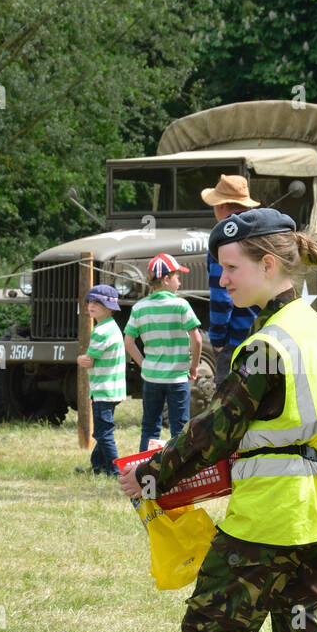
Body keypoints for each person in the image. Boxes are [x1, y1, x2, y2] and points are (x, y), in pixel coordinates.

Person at [118, 208, 317, 632]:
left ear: (268, 264)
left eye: (229, 268)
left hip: (266, 517)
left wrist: (151, 474)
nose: (221, 281)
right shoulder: (313, 327)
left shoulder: (267, 344)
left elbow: (213, 431)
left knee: (211, 631)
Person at [124, 253, 202, 452]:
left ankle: (146, 470)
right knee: (180, 428)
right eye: (177, 277)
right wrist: (194, 366)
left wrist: (144, 364)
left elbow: (129, 342)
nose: (180, 282)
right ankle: (179, 472)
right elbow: (197, 339)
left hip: (152, 379)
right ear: (166, 279)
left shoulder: (139, 308)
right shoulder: (181, 305)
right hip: (177, 378)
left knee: (150, 426)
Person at [201, 175, 261, 384]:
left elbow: (222, 295)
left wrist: (217, 338)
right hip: (262, 332)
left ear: (223, 205)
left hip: (234, 340)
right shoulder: (260, 234)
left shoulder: (222, 240)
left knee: (227, 403)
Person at [76, 284, 125, 476]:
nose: (92, 305)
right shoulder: (112, 328)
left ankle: (115, 471)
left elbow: (88, 361)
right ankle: (98, 467)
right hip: (114, 389)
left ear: (110, 308)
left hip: (103, 389)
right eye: (90, 301)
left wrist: (79, 359)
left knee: (104, 434)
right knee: (102, 431)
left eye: (98, 303)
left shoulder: (100, 331)